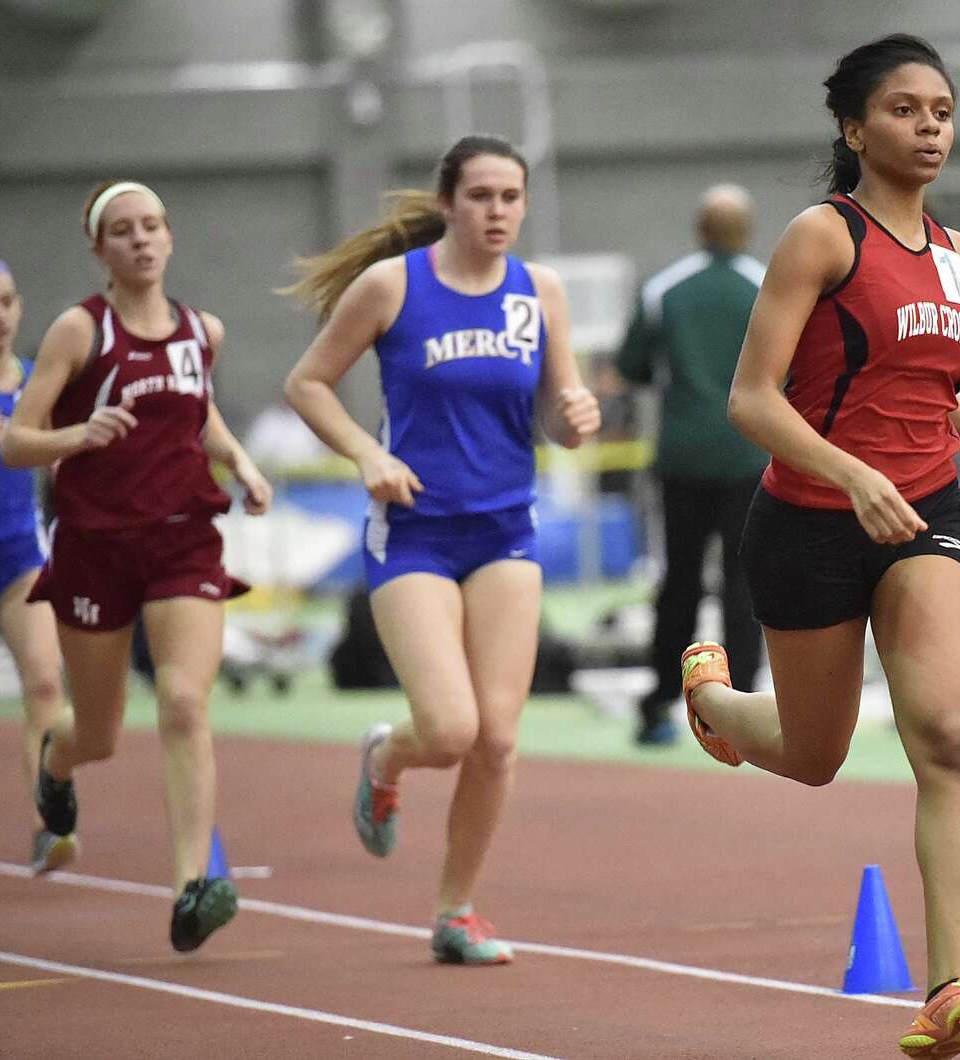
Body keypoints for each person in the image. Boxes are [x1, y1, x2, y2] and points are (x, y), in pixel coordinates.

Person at [680, 36, 960, 1057]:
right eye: (906, 109)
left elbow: (930, 390)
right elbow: (751, 398)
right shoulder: (822, 237)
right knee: (817, 756)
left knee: (945, 734)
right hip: (811, 517)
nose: (931, 126)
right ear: (856, 128)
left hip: (926, 511)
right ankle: (717, 703)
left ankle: (949, 987)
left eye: (943, 109)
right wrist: (851, 475)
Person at [283, 135, 601, 965]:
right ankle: (387, 757)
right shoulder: (395, 284)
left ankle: (455, 912)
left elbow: (558, 412)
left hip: (506, 531)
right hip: (415, 530)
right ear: (448, 203)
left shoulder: (540, 292)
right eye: (482, 196)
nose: (498, 212)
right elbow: (307, 383)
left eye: (510, 197)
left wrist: (576, 417)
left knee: (498, 739)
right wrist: (368, 454)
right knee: (451, 729)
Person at [0, 180, 273, 952]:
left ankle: (193, 885)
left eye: (153, 226)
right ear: (100, 250)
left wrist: (242, 463)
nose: (142, 240)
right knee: (101, 732)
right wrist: (77, 436)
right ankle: (57, 760)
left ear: (170, 237)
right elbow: (20, 440)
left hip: (185, 535)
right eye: (124, 231)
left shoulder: (201, 331)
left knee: (186, 701)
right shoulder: (77, 333)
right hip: (96, 546)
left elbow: (199, 410)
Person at [615, 184, 769, 746]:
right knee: (743, 582)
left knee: (678, 581)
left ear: (699, 229)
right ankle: (742, 707)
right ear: (746, 230)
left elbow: (631, 365)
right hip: (749, 455)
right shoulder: (764, 286)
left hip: (680, 457)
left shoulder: (663, 290)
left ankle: (659, 705)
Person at [0, 256, 73, 873]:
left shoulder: (36, 380)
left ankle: (46, 824)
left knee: (44, 684)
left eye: (6, 301)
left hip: (19, 557)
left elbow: (57, 452)